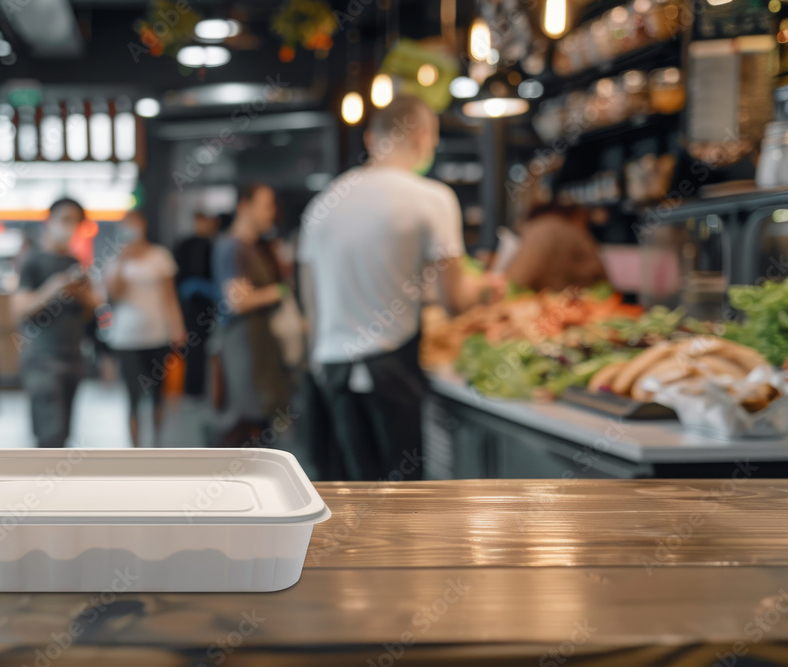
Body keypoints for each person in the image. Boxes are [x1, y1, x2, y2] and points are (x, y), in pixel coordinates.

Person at [298, 95, 499, 482]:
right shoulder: (432, 198)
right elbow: (455, 302)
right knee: (402, 499)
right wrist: (488, 288)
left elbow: (311, 302)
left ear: (372, 138)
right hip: (392, 370)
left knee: (349, 493)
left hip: (332, 370)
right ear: (423, 136)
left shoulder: (323, 203)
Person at [12, 198, 100, 449]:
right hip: (42, 359)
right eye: (65, 219)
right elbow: (19, 309)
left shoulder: (74, 263)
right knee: (49, 437)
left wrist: (81, 292)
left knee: (63, 436)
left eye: (75, 221)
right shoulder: (32, 260)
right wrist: (55, 287)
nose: (69, 226)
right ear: (50, 220)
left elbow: (91, 309)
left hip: (72, 356)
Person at [211, 184, 293, 444]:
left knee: (265, 420)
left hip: (262, 348)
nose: (271, 213)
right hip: (244, 348)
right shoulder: (231, 247)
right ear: (244, 207)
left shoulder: (259, 247)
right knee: (246, 425)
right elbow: (238, 302)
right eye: (266, 206)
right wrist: (279, 291)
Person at [101, 210, 185, 447]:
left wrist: (178, 327)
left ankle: (157, 443)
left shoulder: (160, 256)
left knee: (159, 395)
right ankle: (134, 448)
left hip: (157, 335)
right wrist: (122, 261)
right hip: (126, 338)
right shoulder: (115, 260)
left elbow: (170, 297)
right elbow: (112, 296)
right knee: (132, 397)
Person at [504, 203, 609, 292]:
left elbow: (515, 282)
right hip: (587, 303)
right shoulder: (556, 229)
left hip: (571, 305)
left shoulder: (543, 230)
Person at [173, 212, 219, 398]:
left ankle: (203, 391)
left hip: (208, 305)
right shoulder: (185, 245)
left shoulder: (213, 245)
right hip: (188, 306)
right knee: (192, 347)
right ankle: (192, 391)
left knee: (205, 347)